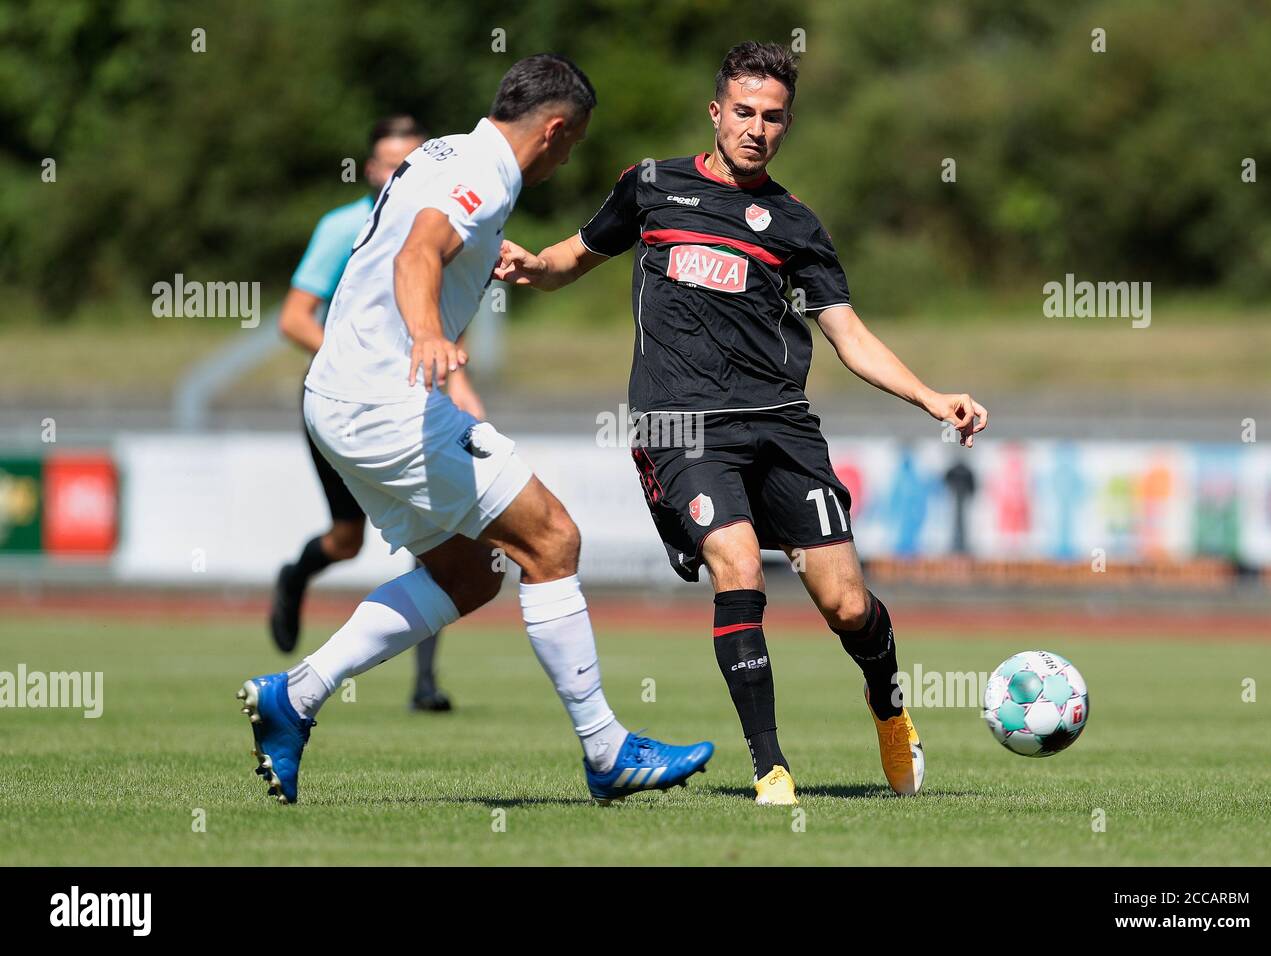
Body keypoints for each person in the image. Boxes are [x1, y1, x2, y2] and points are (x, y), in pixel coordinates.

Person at [493, 42, 988, 805]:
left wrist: (930, 397)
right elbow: (577, 255)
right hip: (679, 426)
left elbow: (846, 334)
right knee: (739, 565)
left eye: (774, 117)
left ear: (788, 125)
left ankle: (889, 709)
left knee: (847, 606)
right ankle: (771, 767)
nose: (757, 128)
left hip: (781, 425)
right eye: (745, 112)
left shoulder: (794, 224)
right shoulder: (652, 186)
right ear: (717, 112)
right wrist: (533, 268)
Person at [238, 54, 714, 805]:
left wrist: (493, 265)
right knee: (553, 539)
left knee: (468, 575)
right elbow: (420, 248)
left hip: (333, 399)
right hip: (387, 401)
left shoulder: (445, 151)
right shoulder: (488, 177)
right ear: (555, 129)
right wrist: (429, 332)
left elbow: (423, 235)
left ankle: (294, 696)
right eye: (574, 141)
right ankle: (607, 751)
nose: (571, 155)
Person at [270, 115, 470, 713]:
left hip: (414, 398)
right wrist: (360, 360)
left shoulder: (443, 222)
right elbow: (293, 317)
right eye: (390, 160)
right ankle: (296, 575)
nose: (401, 169)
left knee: (440, 532)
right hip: (346, 402)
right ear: (369, 169)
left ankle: (425, 683)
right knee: (347, 541)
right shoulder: (343, 225)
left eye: (413, 157)